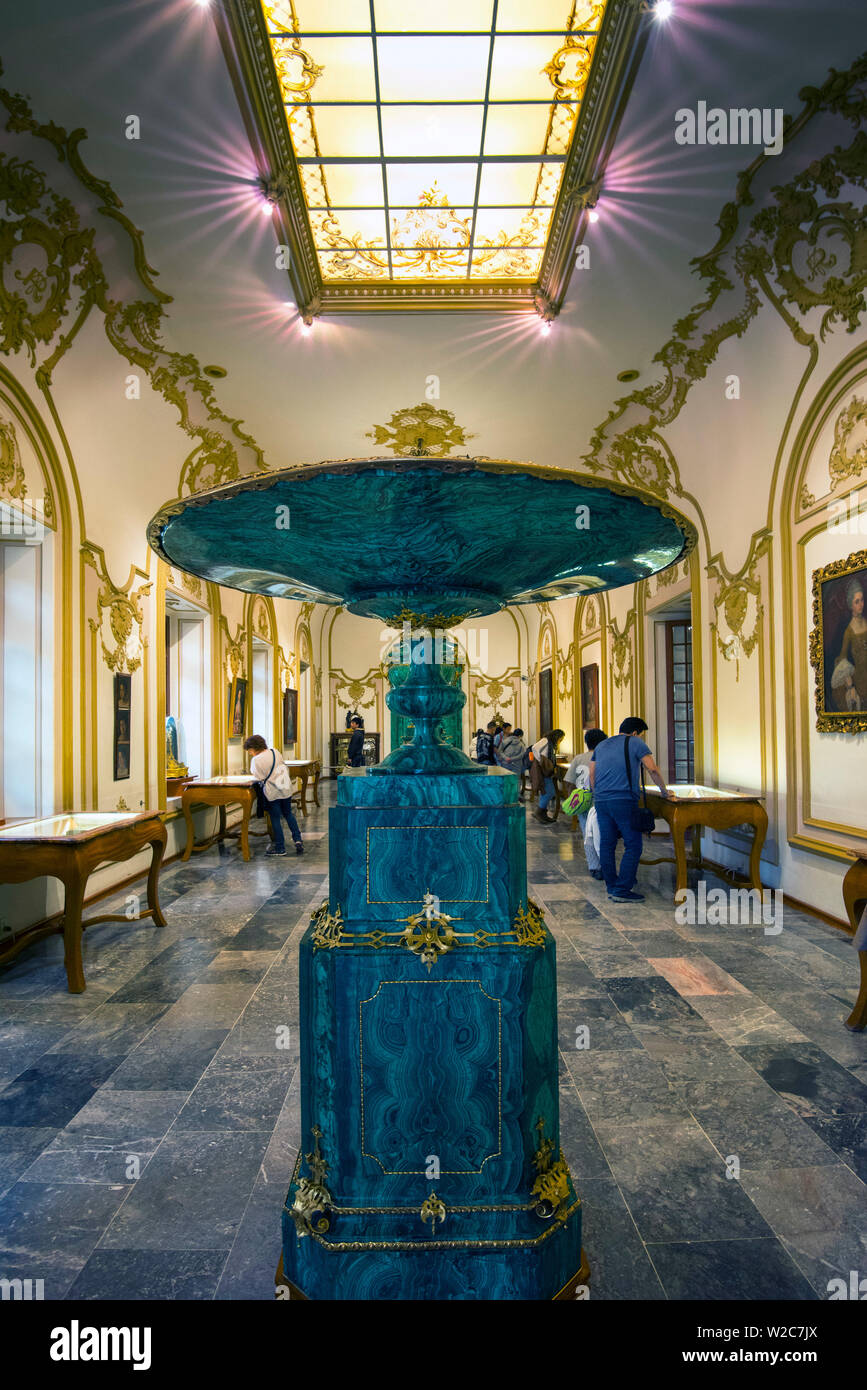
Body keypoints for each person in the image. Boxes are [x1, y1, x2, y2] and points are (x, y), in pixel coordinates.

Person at [589, 716, 670, 902]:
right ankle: (622, 889)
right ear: (635, 732)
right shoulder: (635, 742)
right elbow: (653, 769)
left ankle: (612, 886)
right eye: (641, 734)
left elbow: (592, 772)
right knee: (633, 844)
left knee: (607, 844)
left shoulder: (602, 745)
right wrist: (664, 791)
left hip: (601, 800)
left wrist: (599, 794)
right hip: (623, 799)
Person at [244, 734, 303, 857]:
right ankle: (298, 840)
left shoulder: (256, 760)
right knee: (288, 814)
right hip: (285, 787)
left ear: (253, 748)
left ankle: (280, 847)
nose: (250, 753)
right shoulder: (275, 751)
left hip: (273, 791)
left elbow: (258, 777)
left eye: (249, 751)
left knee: (275, 818)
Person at [563, 728, 607, 879]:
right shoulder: (604, 757)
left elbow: (569, 781)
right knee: (603, 833)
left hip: (583, 802)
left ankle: (594, 866)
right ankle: (606, 865)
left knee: (587, 833)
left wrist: (572, 799)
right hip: (600, 800)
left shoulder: (578, 758)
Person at [529, 728, 565, 824]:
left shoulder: (550, 743)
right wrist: (541, 760)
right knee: (550, 792)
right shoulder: (545, 740)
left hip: (544, 769)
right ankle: (539, 812)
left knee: (546, 791)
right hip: (541, 769)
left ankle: (542, 814)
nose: (561, 740)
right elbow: (534, 748)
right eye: (561, 738)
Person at [496, 725, 526, 790]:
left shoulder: (505, 741)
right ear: (520, 736)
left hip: (505, 764)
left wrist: (506, 758)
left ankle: (506, 796)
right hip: (516, 765)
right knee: (516, 781)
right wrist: (512, 759)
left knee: (506, 780)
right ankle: (515, 796)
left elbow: (499, 751)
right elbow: (522, 755)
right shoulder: (521, 744)